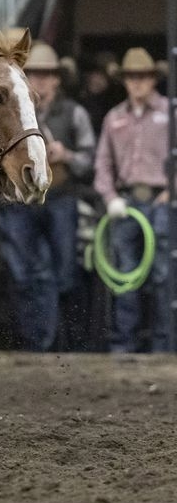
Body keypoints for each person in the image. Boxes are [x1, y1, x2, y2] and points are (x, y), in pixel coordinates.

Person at [0, 42, 96, 352]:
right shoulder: (15, 111)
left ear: (57, 79)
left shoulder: (75, 113)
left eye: (47, 74)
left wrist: (67, 155)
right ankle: (33, 342)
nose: (41, 80)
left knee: (65, 273)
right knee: (23, 274)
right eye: (35, 74)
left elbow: (90, 160)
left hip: (61, 197)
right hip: (22, 200)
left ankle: (66, 344)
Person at [93, 47, 173, 354]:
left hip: (161, 200)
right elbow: (103, 163)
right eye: (131, 77)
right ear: (124, 81)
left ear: (153, 79)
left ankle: (163, 345)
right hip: (125, 204)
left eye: (143, 76)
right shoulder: (114, 118)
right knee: (126, 274)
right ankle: (123, 345)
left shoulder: (170, 113)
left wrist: (171, 191)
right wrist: (110, 197)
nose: (137, 82)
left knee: (163, 275)